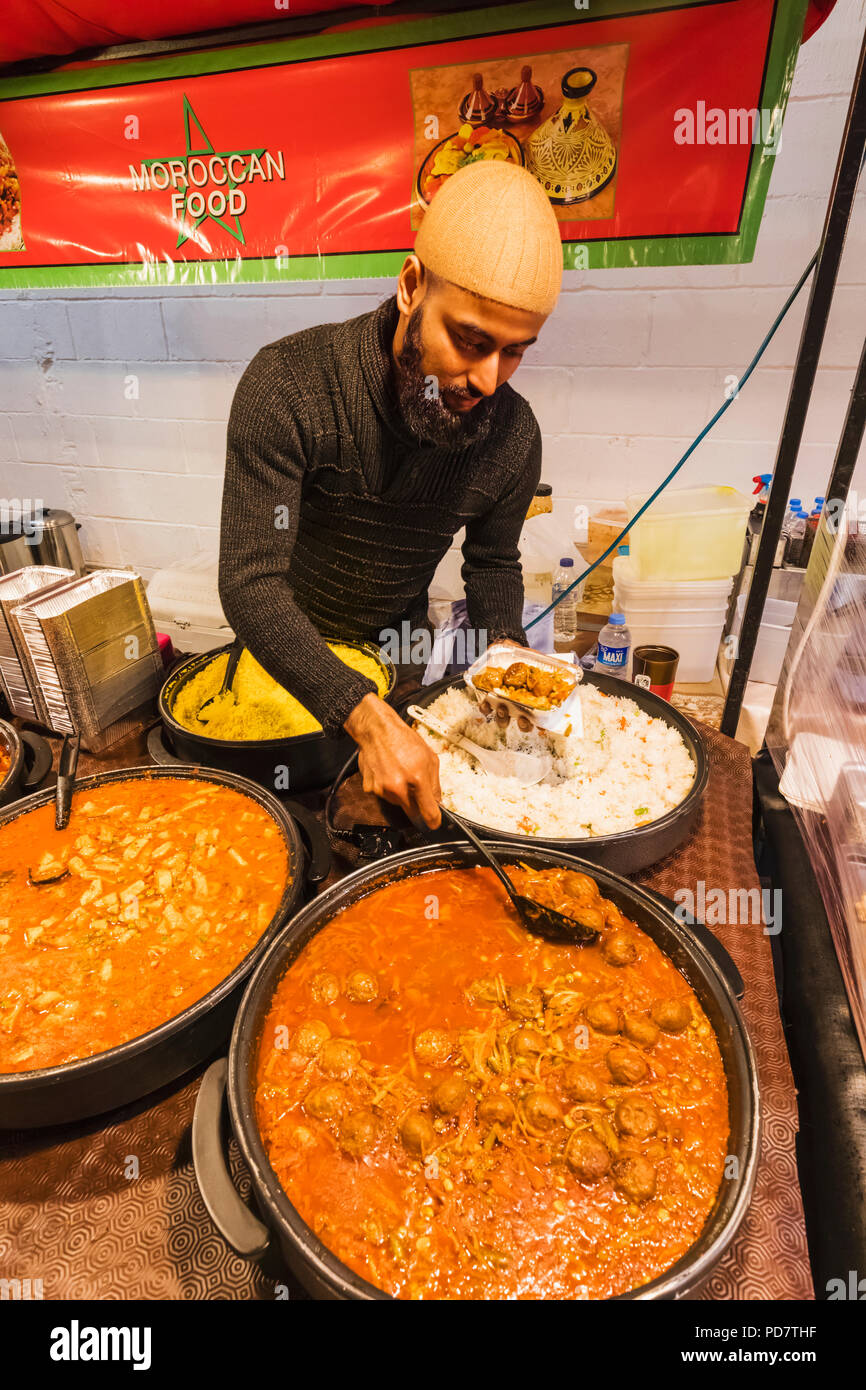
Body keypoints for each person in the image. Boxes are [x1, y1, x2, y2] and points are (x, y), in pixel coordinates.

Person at [219, 159, 562, 829]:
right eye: (470, 340)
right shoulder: (289, 388)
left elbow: (493, 563)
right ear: (411, 286)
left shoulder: (511, 436)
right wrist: (363, 719)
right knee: (279, 838)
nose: (489, 379)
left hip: (399, 660)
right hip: (283, 664)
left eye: (516, 351)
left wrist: (509, 666)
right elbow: (250, 583)